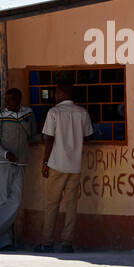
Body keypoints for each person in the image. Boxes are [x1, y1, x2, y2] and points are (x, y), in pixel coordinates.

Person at [36, 82, 93, 254]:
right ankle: (67, 242)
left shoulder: (54, 112)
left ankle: (47, 242)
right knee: (71, 205)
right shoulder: (82, 113)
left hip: (56, 164)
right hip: (74, 166)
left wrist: (45, 162)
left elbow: (49, 139)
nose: (54, 95)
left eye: (56, 92)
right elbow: (88, 136)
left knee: (51, 204)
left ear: (61, 93)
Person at [0, 87, 38, 252]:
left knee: (15, 201)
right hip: (3, 163)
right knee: (0, 201)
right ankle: (4, 241)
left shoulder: (27, 114)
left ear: (19, 99)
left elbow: (32, 134)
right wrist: (6, 154)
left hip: (21, 163)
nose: (7, 103)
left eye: (11, 99)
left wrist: (21, 119)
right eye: (6, 100)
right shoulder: (0, 117)